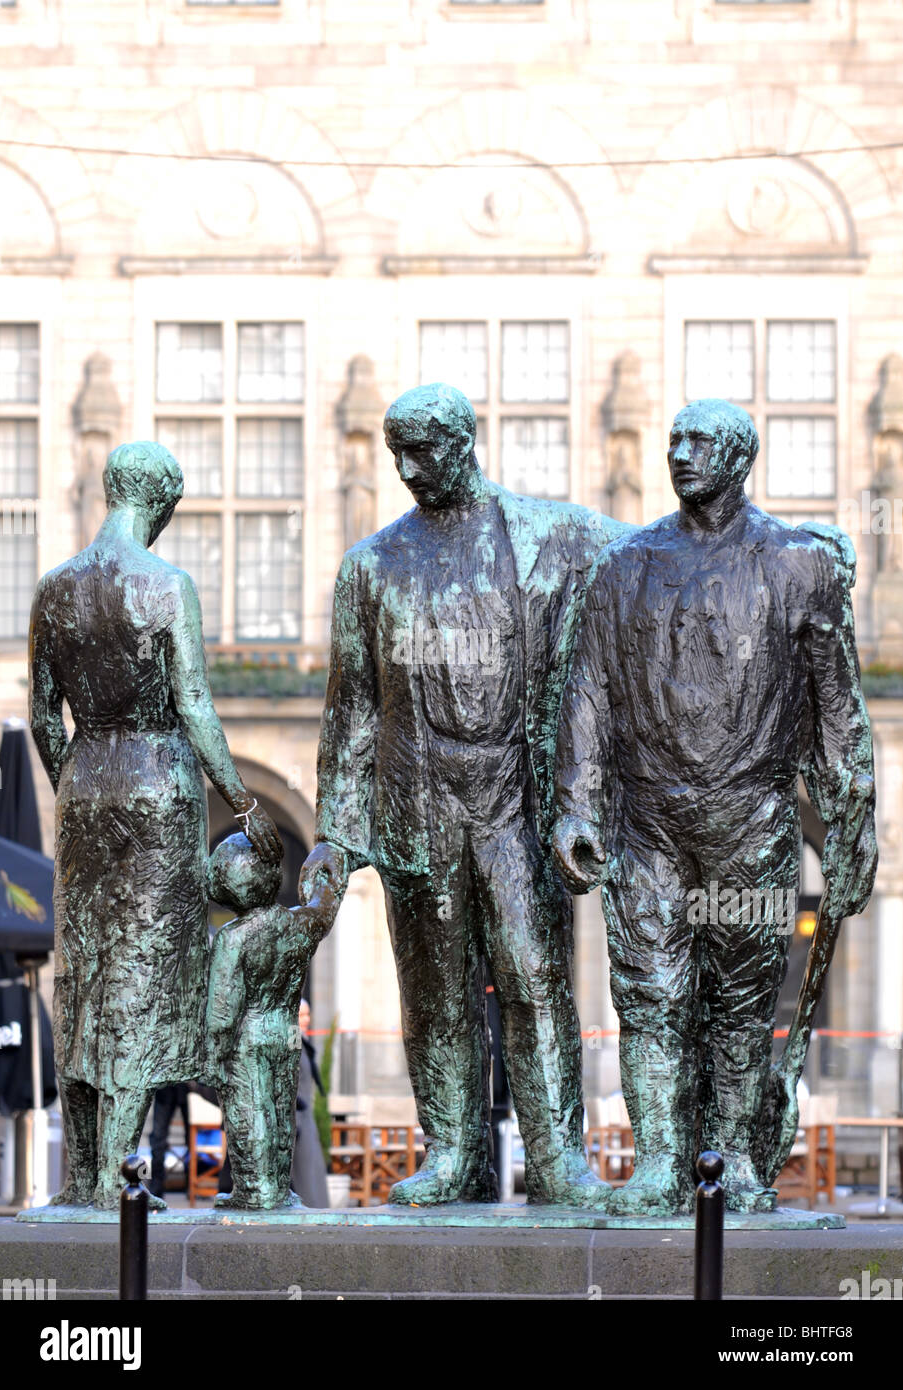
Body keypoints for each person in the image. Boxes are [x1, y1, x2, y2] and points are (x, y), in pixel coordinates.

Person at [300, 382, 628, 1206]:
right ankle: (454, 1152)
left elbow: (661, 550)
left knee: (532, 979)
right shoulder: (370, 566)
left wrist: (785, 548)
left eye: (425, 451)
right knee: (436, 992)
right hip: (418, 808)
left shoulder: (553, 535)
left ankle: (557, 1158)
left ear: (466, 441)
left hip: (513, 806)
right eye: (397, 454)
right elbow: (352, 713)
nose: (409, 470)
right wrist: (338, 832)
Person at [553, 399, 877, 1214]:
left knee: (739, 995)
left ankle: (733, 1154)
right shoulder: (623, 566)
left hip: (751, 817)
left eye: (699, 442)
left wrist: (852, 817)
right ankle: (660, 1159)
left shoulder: (797, 563)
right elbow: (585, 692)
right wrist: (576, 808)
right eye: (673, 440)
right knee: (649, 991)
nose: (680, 454)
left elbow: (837, 705)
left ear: (739, 458)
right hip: (648, 822)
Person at [29, 440, 282, 1210]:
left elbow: (43, 715)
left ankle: (78, 1175)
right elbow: (195, 704)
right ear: (165, 500)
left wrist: (69, 784)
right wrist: (240, 799)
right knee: (141, 972)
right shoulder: (167, 585)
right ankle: (114, 1177)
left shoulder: (53, 588)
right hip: (157, 780)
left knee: (84, 966)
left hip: (85, 784)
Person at [205, 833, 335, 1209]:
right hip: (286, 1032)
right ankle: (278, 1186)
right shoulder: (297, 924)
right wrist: (324, 873)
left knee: (250, 1112)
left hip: (248, 1036)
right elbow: (322, 911)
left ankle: (254, 1188)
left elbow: (221, 1013)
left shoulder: (233, 938)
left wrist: (213, 1056)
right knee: (281, 1111)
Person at [289, 998, 329, 1208]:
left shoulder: (300, 1038)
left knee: (312, 1171)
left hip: (306, 1116)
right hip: (297, 1117)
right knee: (303, 1173)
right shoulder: (292, 1036)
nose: (306, 1020)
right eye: (301, 1015)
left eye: (307, 1015)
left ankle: (316, 1213)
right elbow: (289, 1069)